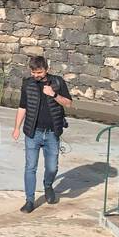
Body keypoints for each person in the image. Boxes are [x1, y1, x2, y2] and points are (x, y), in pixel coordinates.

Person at [11, 55, 73, 212]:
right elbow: (22, 106)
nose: (36, 75)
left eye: (39, 72)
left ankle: (48, 185)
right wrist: (17, 127)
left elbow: (69, 103)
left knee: (52, 167)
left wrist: (53, 94)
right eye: (33, 72)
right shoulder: (28, 84)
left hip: (52, 133)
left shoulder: (57, 82)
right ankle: (30, 200)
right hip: (33, 133)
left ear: (47, 69)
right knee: (30, 167)